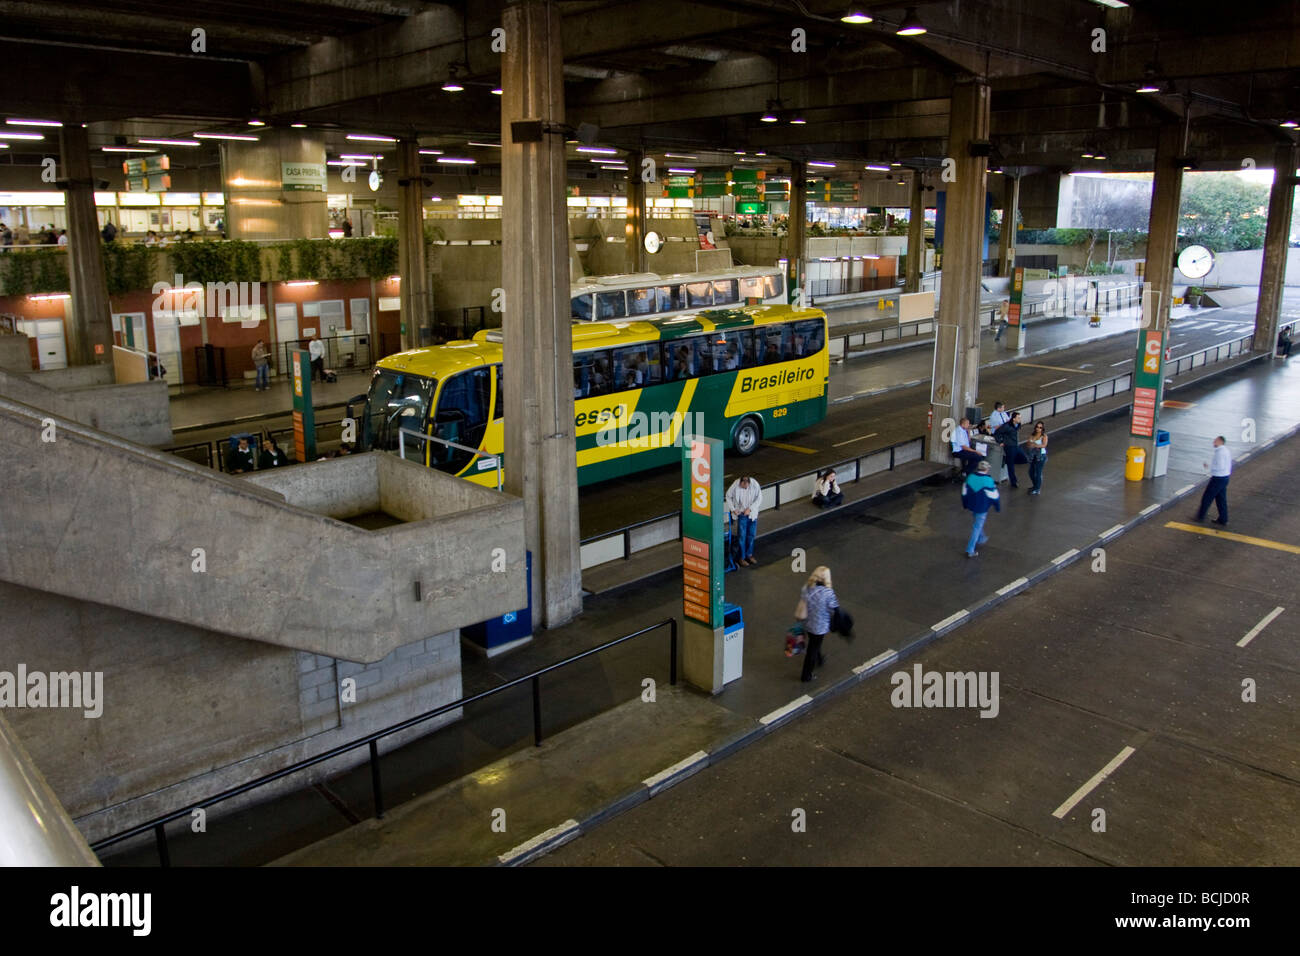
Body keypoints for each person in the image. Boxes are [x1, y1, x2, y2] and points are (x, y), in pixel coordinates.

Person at [798, 566, 839, 683]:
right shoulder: (828, 593)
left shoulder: (807, 588)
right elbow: (834, 609)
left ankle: (819, 659)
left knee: (814, 643)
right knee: (813, 648)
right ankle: (806, 675)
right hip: (820, 626)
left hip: (807, 623)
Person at [961, 460, 1001, 558]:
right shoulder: (988, 480)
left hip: (972, 505)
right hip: (982, 507)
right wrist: (997, 507)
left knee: (977, 523)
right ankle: (970, 550)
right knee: (977, 527)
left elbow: (964, 493)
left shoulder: (970, 477)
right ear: (987, 469)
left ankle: (981, 538)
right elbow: (994, 496)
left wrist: (965, 504)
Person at [726, 475, 762, 567]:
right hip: (742, 514)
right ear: (740, 482)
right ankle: (741, 558)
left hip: (752, 514)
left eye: (746, 487)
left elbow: (759, 498)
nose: (744, 488)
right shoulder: (735, 484)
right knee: (742, 537)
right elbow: (728, 496)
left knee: (751, 535)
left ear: (749, 483)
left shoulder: (754, 484)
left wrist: (750, 509)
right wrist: (733, 509)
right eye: (742, 486)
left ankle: (749, 555)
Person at [1196, 436, 1231, 526]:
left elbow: (1220, 466)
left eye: (1215, 441)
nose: (1213, 443)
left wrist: (1209, 467)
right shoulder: (1225, 450)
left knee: (1207, 497)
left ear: (1220, 441)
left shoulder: (1220, 452)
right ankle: (1223, 519)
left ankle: (1200, 516)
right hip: (1225, 477)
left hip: (1218, 478)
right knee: (1221, 499)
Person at [993, 411, 1028, 488]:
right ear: (1014, 419)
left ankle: (1007, 461)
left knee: (1025, 459)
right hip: (1009, 447)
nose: (1020, 419)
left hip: (1016, 445)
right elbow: (997, 433)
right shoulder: (1006, 426)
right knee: (1011, 465)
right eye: (1018, 418)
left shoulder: (1017, 425)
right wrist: (1000, 441)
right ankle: (1014, 482)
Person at [1026, 421, 1049, 495]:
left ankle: (1037, 489)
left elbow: (1044, 445)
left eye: (1040, 427)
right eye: (1037, 427)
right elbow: (1028, 443)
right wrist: (1030, 444)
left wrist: (1035, 445)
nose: (1038, 429)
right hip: (1033, 456)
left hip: (1041, 456)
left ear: (1042, 429)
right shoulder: (1032, 435)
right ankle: (1035, 485)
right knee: (1031, 472)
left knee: (1038, 473)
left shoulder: (1044, 436)